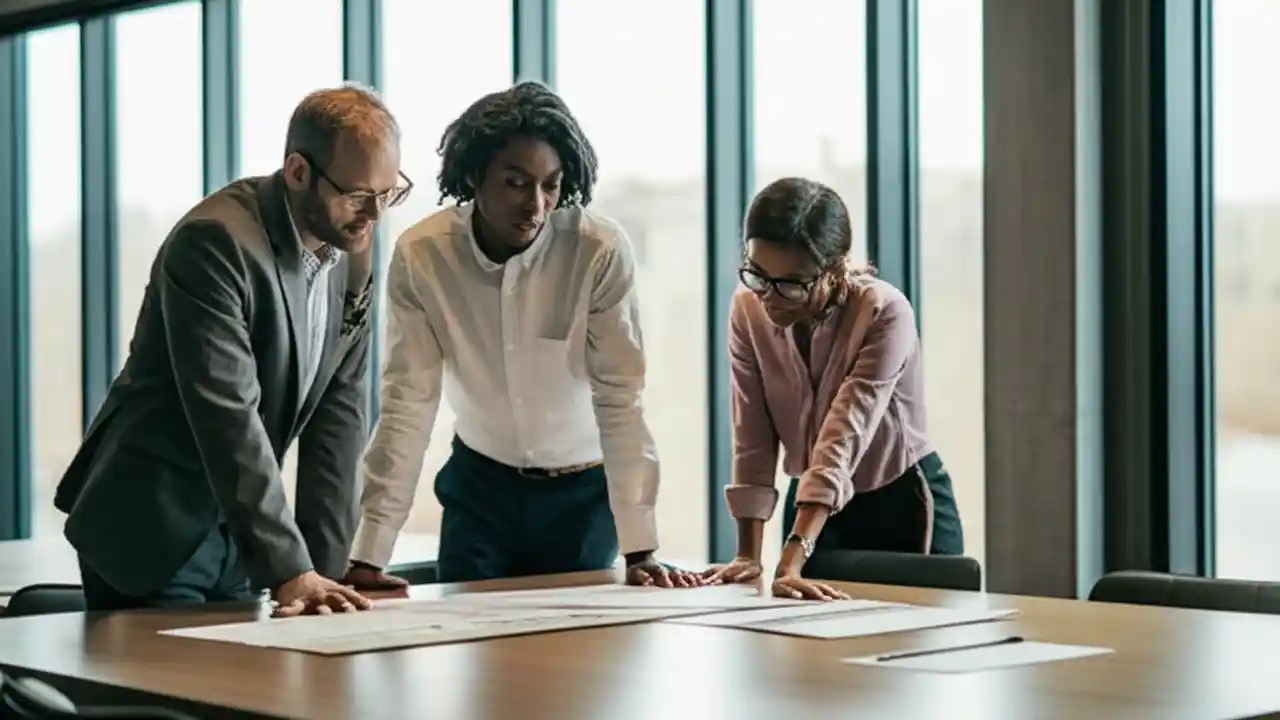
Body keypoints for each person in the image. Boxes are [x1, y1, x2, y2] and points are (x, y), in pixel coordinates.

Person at [54, 84, 409, 616]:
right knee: (179, 696)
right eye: (359, 196)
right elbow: (228, 415)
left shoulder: (349, 246)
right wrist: (289, 570)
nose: (374, 216)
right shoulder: (214, 243)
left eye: (389, 194)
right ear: (297, 172)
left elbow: (340, 415)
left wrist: (326, 571)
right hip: (156, 527)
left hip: (244, 536)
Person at [339, 81, 699, 590]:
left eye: (550, 185)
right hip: (479, 492)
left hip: (583, 499)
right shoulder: (422, 256)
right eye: (515, 182)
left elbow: (620, 399)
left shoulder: (597, 250)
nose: (536, 204)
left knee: (574, 660)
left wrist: (642, 549)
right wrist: (370, 555)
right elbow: (408, 404)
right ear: (473, 175)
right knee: (475, 652)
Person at [702, 177, 963, 600]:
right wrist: (749, 555)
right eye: (758, 275)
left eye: (790, 283)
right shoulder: (747, 308)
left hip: (899, 500)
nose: (770, 297)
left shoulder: (883, 312)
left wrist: (790, 559)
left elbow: (845, 432)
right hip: (810, 497)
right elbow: (751, 432)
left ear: (836, 269)